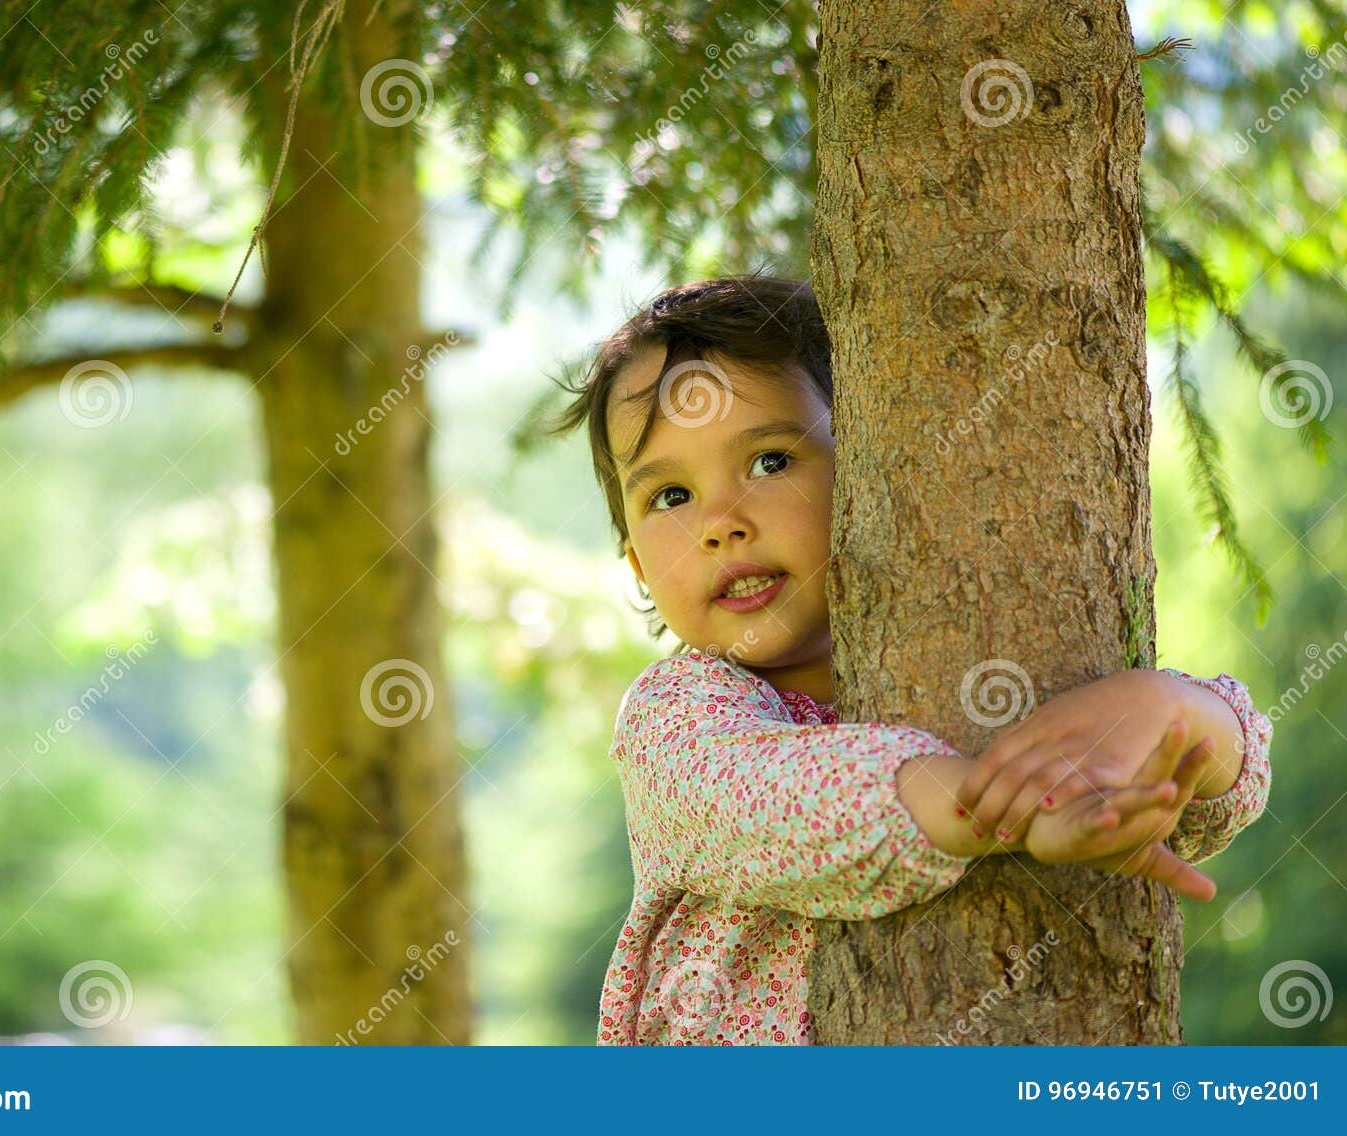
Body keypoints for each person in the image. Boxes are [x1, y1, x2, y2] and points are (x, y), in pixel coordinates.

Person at [544, 272, 1274, 1045]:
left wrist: (1170, 710)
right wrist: (1007, 807)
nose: (720, 524)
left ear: (868, 474)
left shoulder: (970, 657)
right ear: (636, 564)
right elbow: (776, 802)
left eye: (769, 462)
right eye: (670, 497)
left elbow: (1208, 794)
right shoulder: (675, 717)